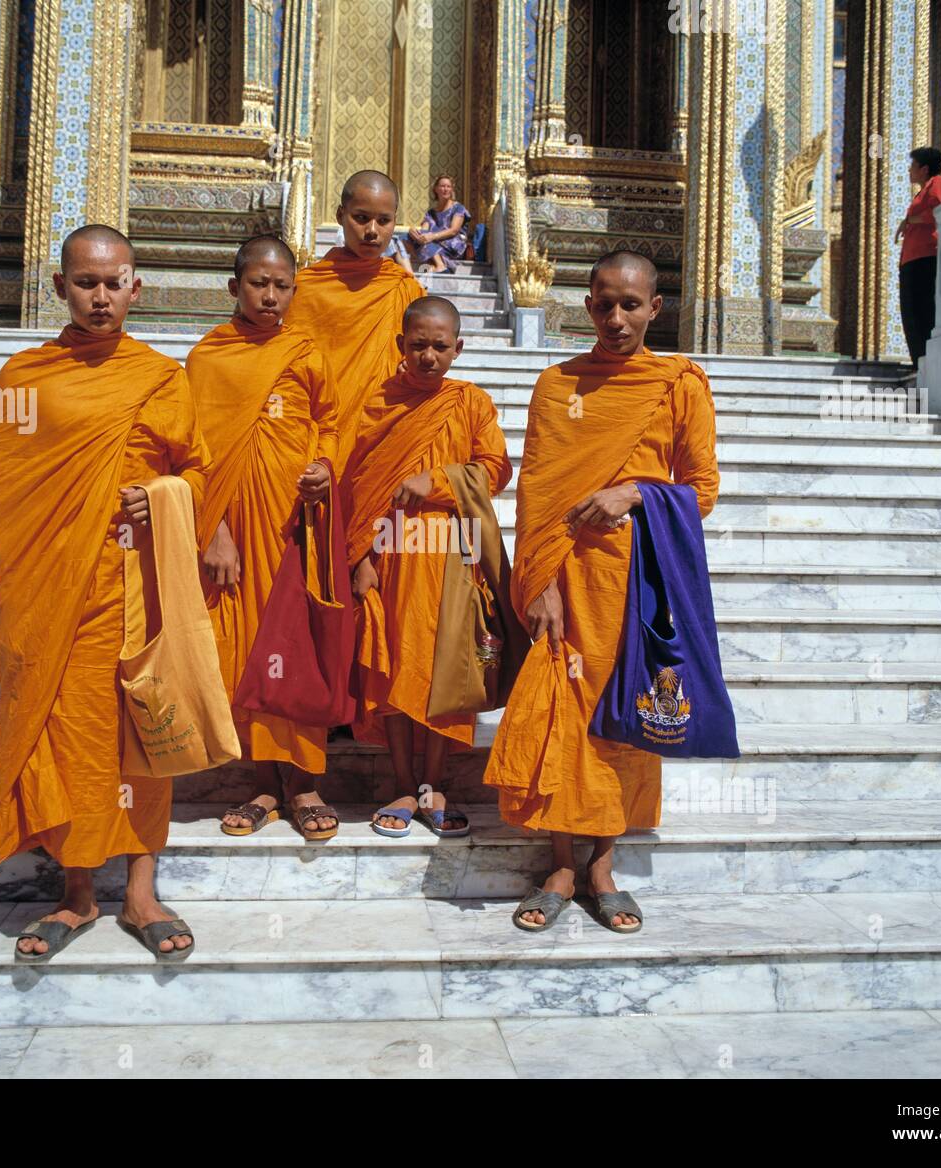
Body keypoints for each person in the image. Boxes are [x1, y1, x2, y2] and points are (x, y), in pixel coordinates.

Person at [0, 224, 214, 962]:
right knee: (75, 736)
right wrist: (32, 577)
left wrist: (166, 495)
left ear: (136, 288)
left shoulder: (161, 376)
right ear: (60, 287)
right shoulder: (22, 379)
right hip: (59, 593)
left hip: (138, 588)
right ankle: (78, 894)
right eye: (87, 282)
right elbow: (5, 489)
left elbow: (199, 474)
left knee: (147, 737)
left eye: (115, 283)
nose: (102, 296)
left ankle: (141, 892)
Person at [483, 249, 720, 933]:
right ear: (587, 306)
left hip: (640, 586)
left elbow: (701, 492)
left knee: (626, 722)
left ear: (655, 308)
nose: (617, 317)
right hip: (564, 579)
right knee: (563, 714)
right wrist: (536, 581)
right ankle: (560, 863)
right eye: (604, 303)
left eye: (631, 304)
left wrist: (636, 492)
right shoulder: (558, 386)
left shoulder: (678, 383)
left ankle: (603, 864)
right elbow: (534, 492)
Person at [186, 234, 343, 841]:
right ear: (234, 287)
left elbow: (330, 423)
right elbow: (193, 454)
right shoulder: (208, 359)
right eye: (259, 283)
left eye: (282, 286)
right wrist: (215, 529)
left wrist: (325, 467)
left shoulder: (306, 352)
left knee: (295, 652)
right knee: (247, 652)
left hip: (294, 531)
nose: (271, 295)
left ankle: (303, 782)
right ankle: (258, 782)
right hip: (234, 540)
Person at [343, 296, 512, 837]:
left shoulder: (471, 403)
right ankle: (401, 781)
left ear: (458, 348)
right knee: (392, 667)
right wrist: (360, 557)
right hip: (390, 554)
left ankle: (433, 783)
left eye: (441, 346)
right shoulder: (376, 404)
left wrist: (437, 482)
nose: (429, 356)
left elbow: (494, 469)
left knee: (445, 673)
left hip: (452, 557)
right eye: (418, 345)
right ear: (400, 346)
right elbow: (356, 486)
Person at [285, 169, 425, 472]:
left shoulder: (405, 289)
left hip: (375, 434)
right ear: (339, 215)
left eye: (384, 221)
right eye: (361, 218)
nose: (372, 230)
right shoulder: (305, 288)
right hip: (313, 434)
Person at [895, 146, 941, 368]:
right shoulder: (922, 190)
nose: (910, 170)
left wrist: (911, 221)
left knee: (923, 311)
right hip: (911, 259)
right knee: (911, 312)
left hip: (926, 256)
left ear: (924, 169)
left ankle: (926, 362)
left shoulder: (937, 184)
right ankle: (918, 360)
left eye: (913, 166)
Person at [406, 174, 469, 275]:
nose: (446, 189)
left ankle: (440, 265)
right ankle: (431, 266)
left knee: (425, 240)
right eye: (442, 186)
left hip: (452, 243)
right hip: (434, 243)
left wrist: (432, 236)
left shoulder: (458, 208)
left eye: (448, 187)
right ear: (436, 189)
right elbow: (424, 229)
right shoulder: (431, 212)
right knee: (406, 237)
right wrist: (413, 231)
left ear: (452, 190)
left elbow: (454, 230)